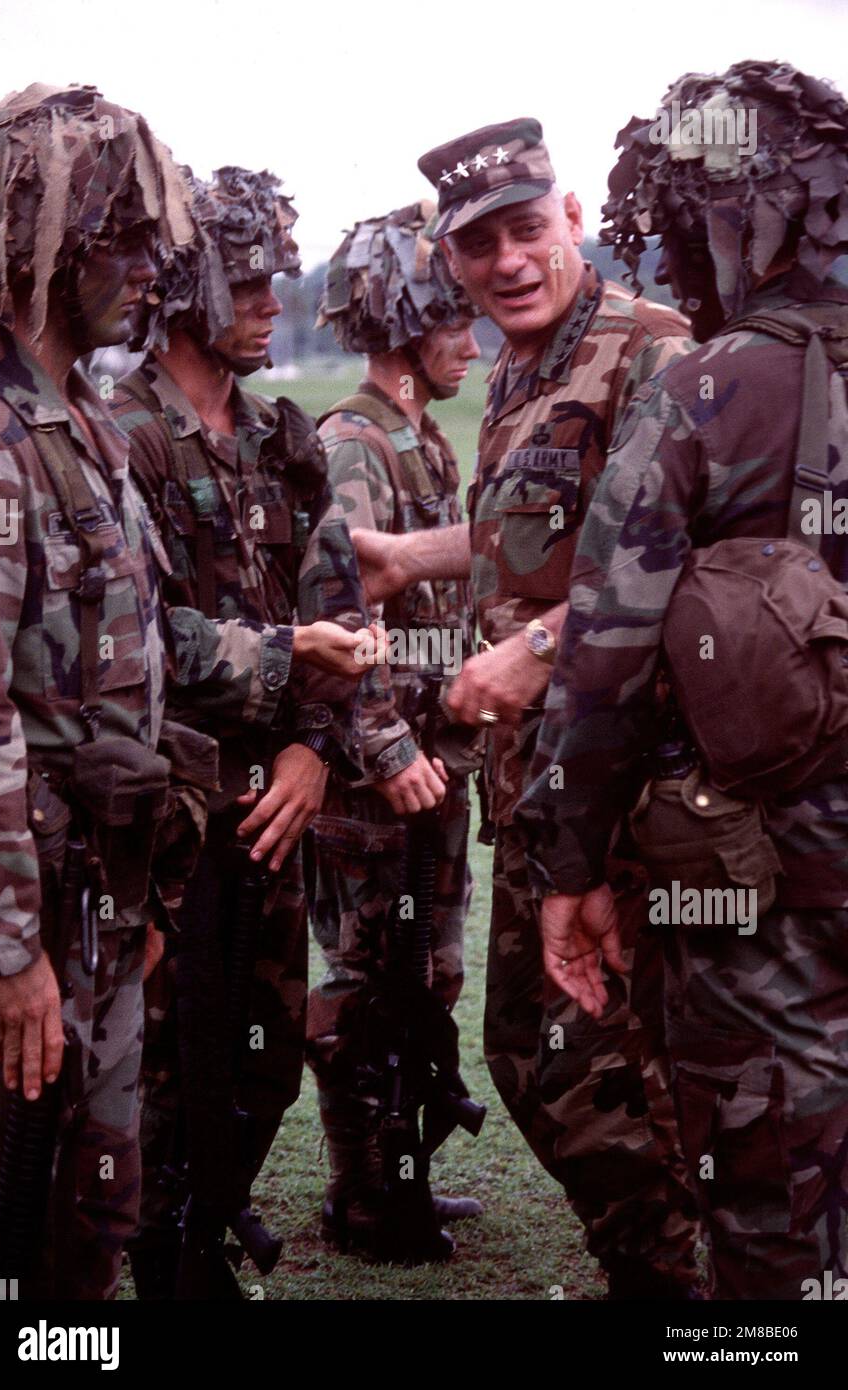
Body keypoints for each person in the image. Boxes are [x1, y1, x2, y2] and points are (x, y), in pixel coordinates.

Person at [0, 87, 369, 1300]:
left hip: (100, 890)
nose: (153, 269)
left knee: (92, 1221)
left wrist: (277, 652)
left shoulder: (73, 421)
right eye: (123, 239)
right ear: (44, 235)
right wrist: (1, 950)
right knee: (5, 1230)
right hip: (21, 923)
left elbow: (144, 632)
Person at [515, 61, 848, 1301]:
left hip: (746, 885)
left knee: (765, 1193)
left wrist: (569, 868)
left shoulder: (699, 393)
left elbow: (600, 662)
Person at [353, 118, 702, 1296]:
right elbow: (543, 536)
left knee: (616, 1076)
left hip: (637, 794)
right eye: (476, 247)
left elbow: (697, 555)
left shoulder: (654, 353)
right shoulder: (518, 368)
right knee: (533, 1056)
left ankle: (689, 1289)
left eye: (523, 231)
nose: (505, 262)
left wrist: (542, 650)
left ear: (571, 221)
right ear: (448, 263)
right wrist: (414, 555)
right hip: (541, 795)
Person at [111, 165, 371, 1297]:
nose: (276, 301)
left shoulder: (281, 434)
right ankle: (165, 1257)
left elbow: (339, 608)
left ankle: (205, 1230)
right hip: (169, 811)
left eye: (277, 277)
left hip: (275, 806)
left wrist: (315, 746)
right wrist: (278, 667)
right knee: (165, 1065)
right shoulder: (120, 437)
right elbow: (127, 633)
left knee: (261, 1059)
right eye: (251, 281)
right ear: (181, 288)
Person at [306, 201, 482, 1259]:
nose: (474, 338)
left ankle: (402, 1178)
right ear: (408, 318)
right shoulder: (354, 446)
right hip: (376, 788)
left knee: (428, 979)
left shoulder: (418, 441)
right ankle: (362, 1195)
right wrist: (384, 747)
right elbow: (339, 623)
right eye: (454, 318)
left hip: (430, 775)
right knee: (368, 983)